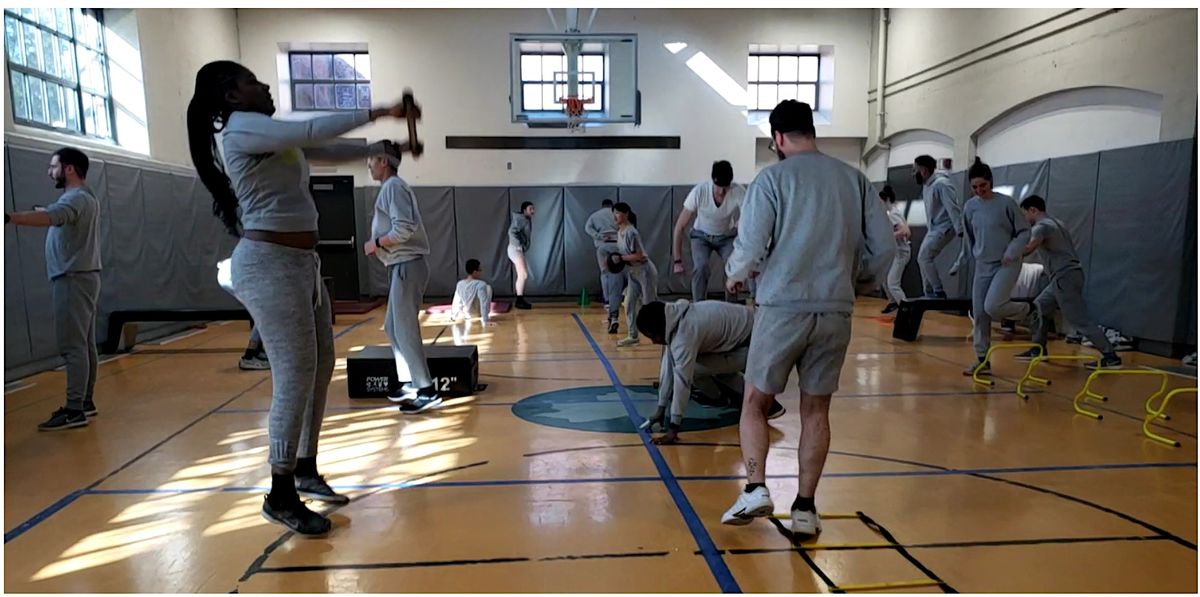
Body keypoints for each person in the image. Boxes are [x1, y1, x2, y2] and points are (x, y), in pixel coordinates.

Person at [187, 59, 412, 535]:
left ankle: (305, 467)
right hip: (268, 264)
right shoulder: (242, 130)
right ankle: (280, 491)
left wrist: (381, 149)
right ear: (230, 96)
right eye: (252, 82)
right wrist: (380, 110)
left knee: (320, 365)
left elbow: (322, 143)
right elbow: (311, 127)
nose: (265, 85)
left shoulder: (266, 133)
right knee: (293, 377)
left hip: (300, 265)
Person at [719, 100, 894, 539]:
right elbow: (886, 247)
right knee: (816, 409)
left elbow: (751, 245)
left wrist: (734, 276)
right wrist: (860, 283)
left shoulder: (771, 179)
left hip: (782, 308)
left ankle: (756, 487)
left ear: (778, 138)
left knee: (756, 403)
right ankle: (805, 508)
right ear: (811, 131)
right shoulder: (855, 180)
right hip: (836, 310)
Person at [6, 148, 102, 431]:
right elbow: (55, 215)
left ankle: (74, 410)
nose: (50, 172)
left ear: (69, 169)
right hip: (83, 277)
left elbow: (53, 217)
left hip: (73, 279)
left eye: (53, 167)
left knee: (73, 346)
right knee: (84, 344)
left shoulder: (75, 199)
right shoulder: (87, 197)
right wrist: (45, 213)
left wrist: (10, 218)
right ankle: (84, 402)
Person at [637, 300, 785, 445]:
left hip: (757, 345)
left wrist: (673, 428)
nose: (653, 342)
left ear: (659, 329)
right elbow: (668, 367)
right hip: (751, 336)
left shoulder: (684, 335)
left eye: (652, 336)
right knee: (705, 366)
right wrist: (660, 408)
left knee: (693, 369)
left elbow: (682, 380)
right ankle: (732, 397)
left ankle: (758, 402)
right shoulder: (676, 318)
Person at [364, 145, 442, 413]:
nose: (369, 166)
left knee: (406, 328)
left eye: (371, 161)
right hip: (400, 265)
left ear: (384, 161)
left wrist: (376, 243)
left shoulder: (394, 187)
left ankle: (426, 389)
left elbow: (405, 228)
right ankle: (409, 380)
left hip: (408, 265)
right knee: (392, 328)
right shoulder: (390, 188)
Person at [1014, 195, 1122, 369]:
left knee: (1079, 320)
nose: (1024, 218)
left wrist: (1008, 253)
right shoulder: (1057, 223)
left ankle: (1111, 356)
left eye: (1024, 214)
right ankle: (1037, 349)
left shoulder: (1041, 227)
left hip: (1065, 277)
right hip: (1065, 277)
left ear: (1032, 210)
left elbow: (1028, 249)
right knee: (1040, 306)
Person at [958, 157, 1032, 375]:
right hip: (983, 265)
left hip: (1006, 263)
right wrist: (963, 259)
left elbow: (1024, 231)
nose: (979, 190)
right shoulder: (970, 207)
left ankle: (1030, 310)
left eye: (983, 185)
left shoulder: (1006, 204)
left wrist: (1012, 251)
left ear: (991, 182)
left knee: (993, 307)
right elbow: (969, 238)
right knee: (980, 313)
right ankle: (982, 360)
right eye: (974, 187)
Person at [671, 161, 746, 302]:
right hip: (701, 237)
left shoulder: (738, 191)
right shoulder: (699, 192)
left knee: (734, 268)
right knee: (701, 267)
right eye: (719, 187)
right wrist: (677, 260)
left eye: (726, 188)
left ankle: (731, 308)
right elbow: (679, 226)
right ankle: (699, 308)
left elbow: (750, 217)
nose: (722, 192)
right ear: (713, 181)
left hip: (726, 237)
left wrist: (740, 223)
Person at [913, 154, 963, 298]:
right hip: (934, 228)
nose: (913, 174)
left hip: (945, 227)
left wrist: (959, 228)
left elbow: (952, 207)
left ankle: (938, 291)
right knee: (922, 259)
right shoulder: (927, 186)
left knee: (924, 257)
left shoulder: (941, 184)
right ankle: (928, 293)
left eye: (915, 170)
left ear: (923, 170)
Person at [613, 202, 659, 347]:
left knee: (650, 304)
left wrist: (621, 258)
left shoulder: (631, 232)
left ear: (626, 214)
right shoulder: (619, 232)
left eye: (618, 213)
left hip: (645, 271)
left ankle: (661, 331)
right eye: (613, 213)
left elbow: (640, 255)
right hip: (632, 272)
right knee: (628, 303)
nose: (615, 216)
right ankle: (633, 335)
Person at [217, 257, 269, 370]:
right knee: (266, 311)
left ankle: (256, 350)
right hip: (232, 273)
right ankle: (249, 356)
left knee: (265, 310)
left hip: (231, 270)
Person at [586, 199, 625, 334]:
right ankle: (619, 299)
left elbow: (587, 228)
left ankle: (607, 299)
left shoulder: (595, 215)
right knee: (618, 274)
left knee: (604, 273)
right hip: (618, 245)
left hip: (603, 245)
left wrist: (597, 236)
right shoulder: (616, 214)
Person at [879, 185, 911, 314]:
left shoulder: (893, 214)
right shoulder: (890, 213)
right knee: (884, 279)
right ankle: (893, 303)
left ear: (886, 200)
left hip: (901, 254)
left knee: (892, 283)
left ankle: (908, 311)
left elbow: (906, 231)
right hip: (894, 254)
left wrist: (888, 236)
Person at [450, 258, 494, 326]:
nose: (481, 272)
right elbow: (483, 302)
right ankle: (483, 315)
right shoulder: (481, 284)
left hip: (465, 314)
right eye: (479, 270)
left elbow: (456, 301)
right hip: (477, 313)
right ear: (475, 272)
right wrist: (486, 320)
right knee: (488, 288)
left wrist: (453, 316)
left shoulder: (460, 284)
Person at [507, 201, 535, 310]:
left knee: (522, 275)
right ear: (524, 210)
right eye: (530, 209)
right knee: (523, 274)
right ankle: (519, 300)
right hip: (515, 249)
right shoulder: (521, 219)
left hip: (516, 249)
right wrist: (518, 245)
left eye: (533, 209)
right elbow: (511, 231)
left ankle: (520, 299)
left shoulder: (525, 219)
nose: (533, 211)